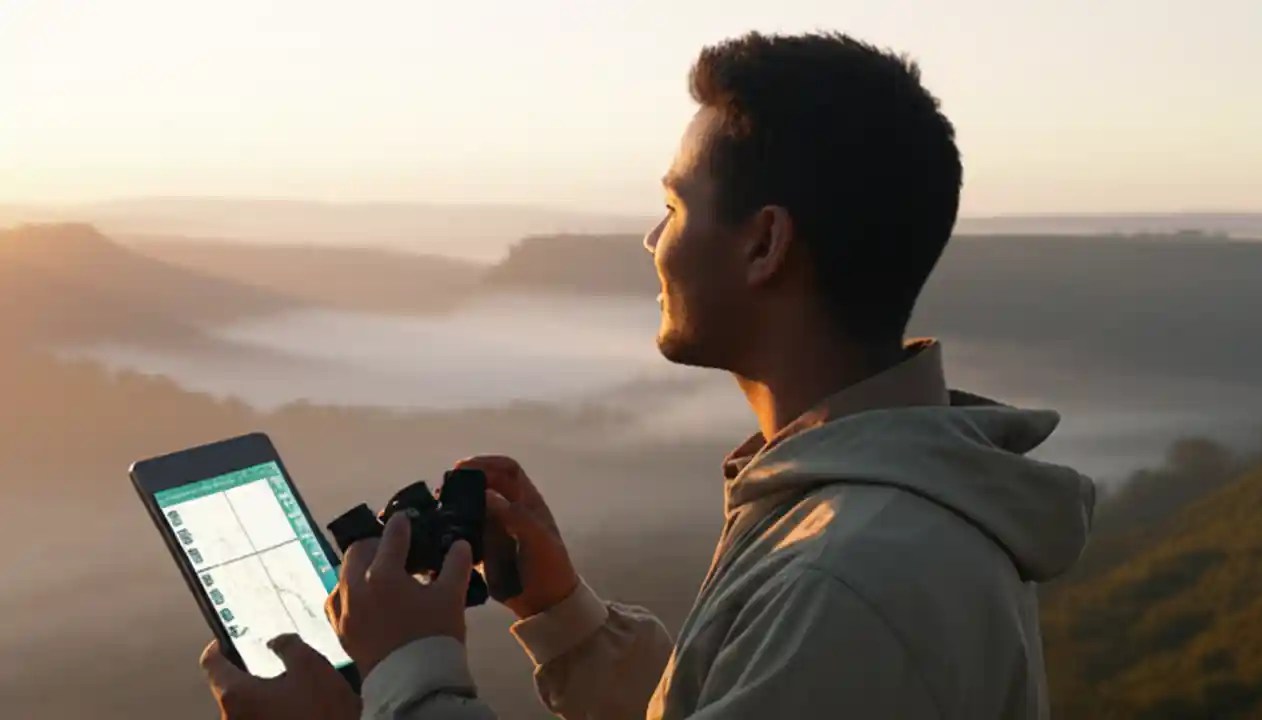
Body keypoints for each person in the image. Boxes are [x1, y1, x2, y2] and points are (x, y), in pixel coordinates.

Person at [199, 31, 1096, 719]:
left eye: (672, 205)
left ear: (764, 244)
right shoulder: (849, 524)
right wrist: (563, 616)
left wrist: (405, 681)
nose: (650, 239)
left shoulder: (852, 578)